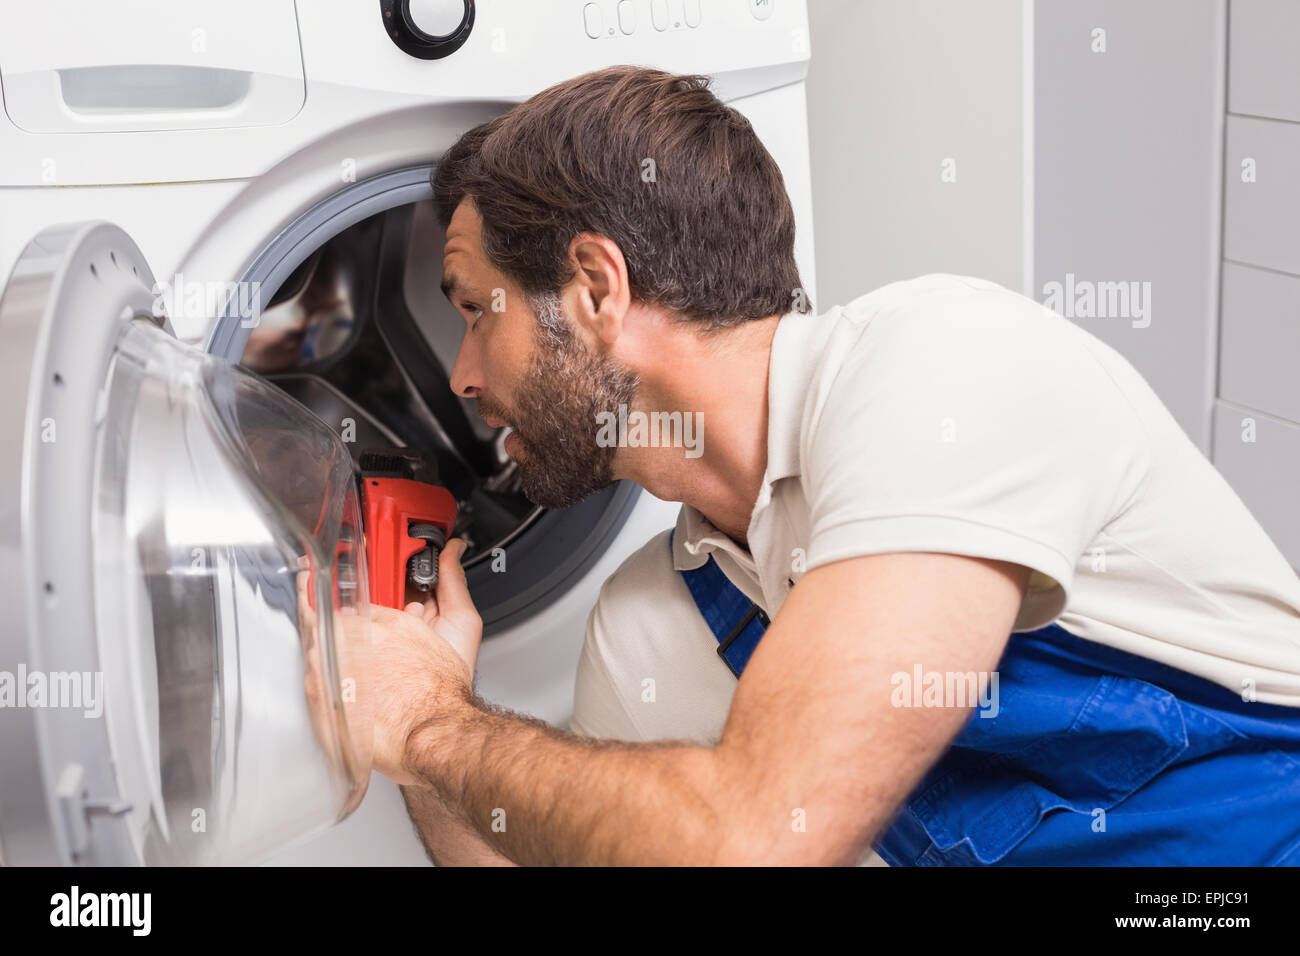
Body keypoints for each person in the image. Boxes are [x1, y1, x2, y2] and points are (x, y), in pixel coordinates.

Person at [360, 65, 1300, 866]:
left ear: (597, 289)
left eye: (478, 309)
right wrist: (428, 701)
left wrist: (428, 722)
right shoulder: (652, 624)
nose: (462, 376)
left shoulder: (945, 363)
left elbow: (758, 833)